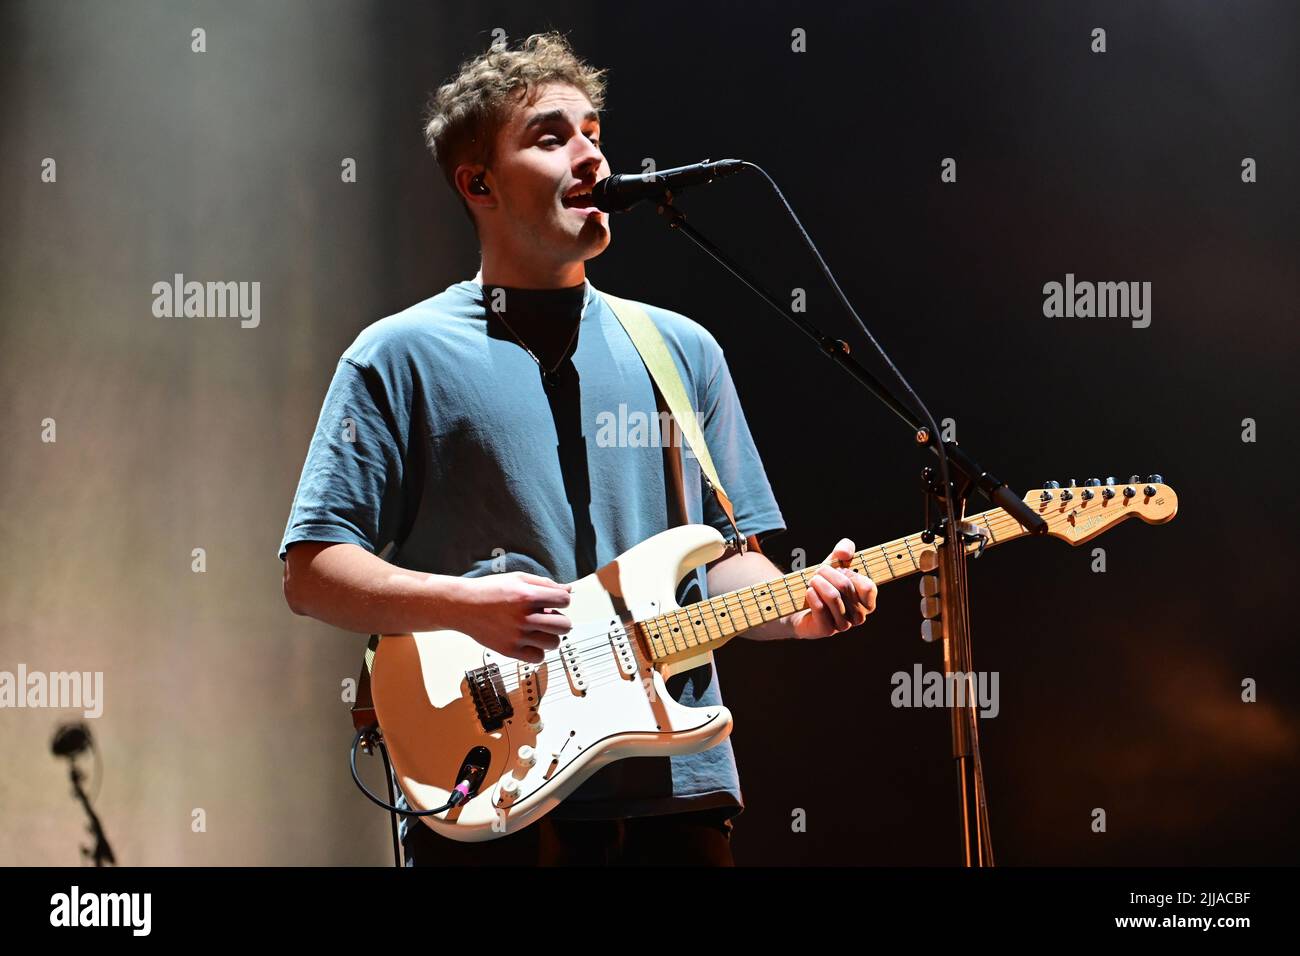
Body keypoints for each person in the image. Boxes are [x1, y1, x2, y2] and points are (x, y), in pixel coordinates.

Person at [279, 32, 878, 866]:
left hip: (679, 784)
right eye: (552, 135)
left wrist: (798, 606)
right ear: (477, 182)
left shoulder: (680, 350)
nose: (591, 155)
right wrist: (464, 605)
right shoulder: (397, 356)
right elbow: (311, 572)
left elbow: (725, 562)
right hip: (495, 792)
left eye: (594, 131)